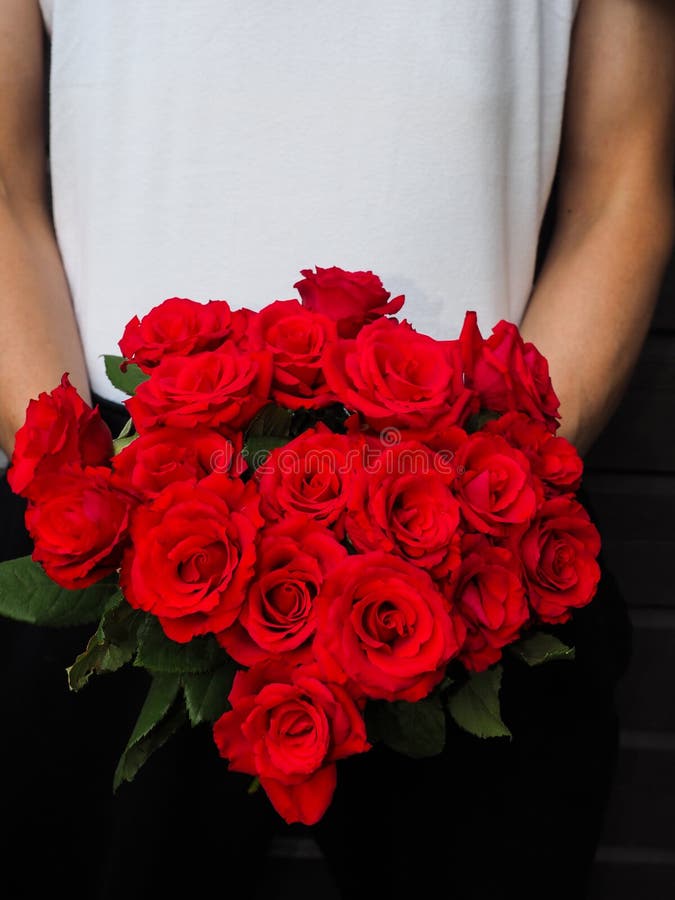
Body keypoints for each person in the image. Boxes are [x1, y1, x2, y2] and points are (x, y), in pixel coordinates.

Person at [0, 1, 673, 898]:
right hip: (123, 504)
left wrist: (510, 479)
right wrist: (84, 492)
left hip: (469, 523)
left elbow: (623, 179)